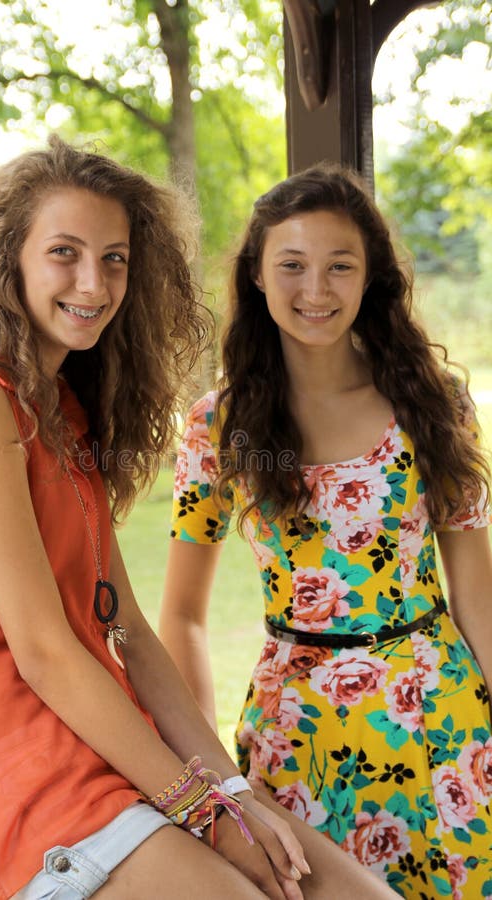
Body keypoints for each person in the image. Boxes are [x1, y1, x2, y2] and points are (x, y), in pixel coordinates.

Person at [0, 139, 397, 900]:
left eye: (116, 257)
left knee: (352, 893)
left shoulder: (59, 409)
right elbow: (45, 652)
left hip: (105, 754)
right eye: (64, 252)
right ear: (9, 259)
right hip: (19, 785)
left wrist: (237, 793)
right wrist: (204, 812)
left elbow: (124, 621)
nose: (94, 282)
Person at [160, 162, 492, 899]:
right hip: (299, 735)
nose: (316, 290)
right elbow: (181, 615)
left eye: (340, 266)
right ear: (256, 276)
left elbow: (477, 590)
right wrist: (211, 773)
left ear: (371, 276)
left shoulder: (433, 406)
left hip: (440, 717)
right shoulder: (218, 427)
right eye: (293, 266)